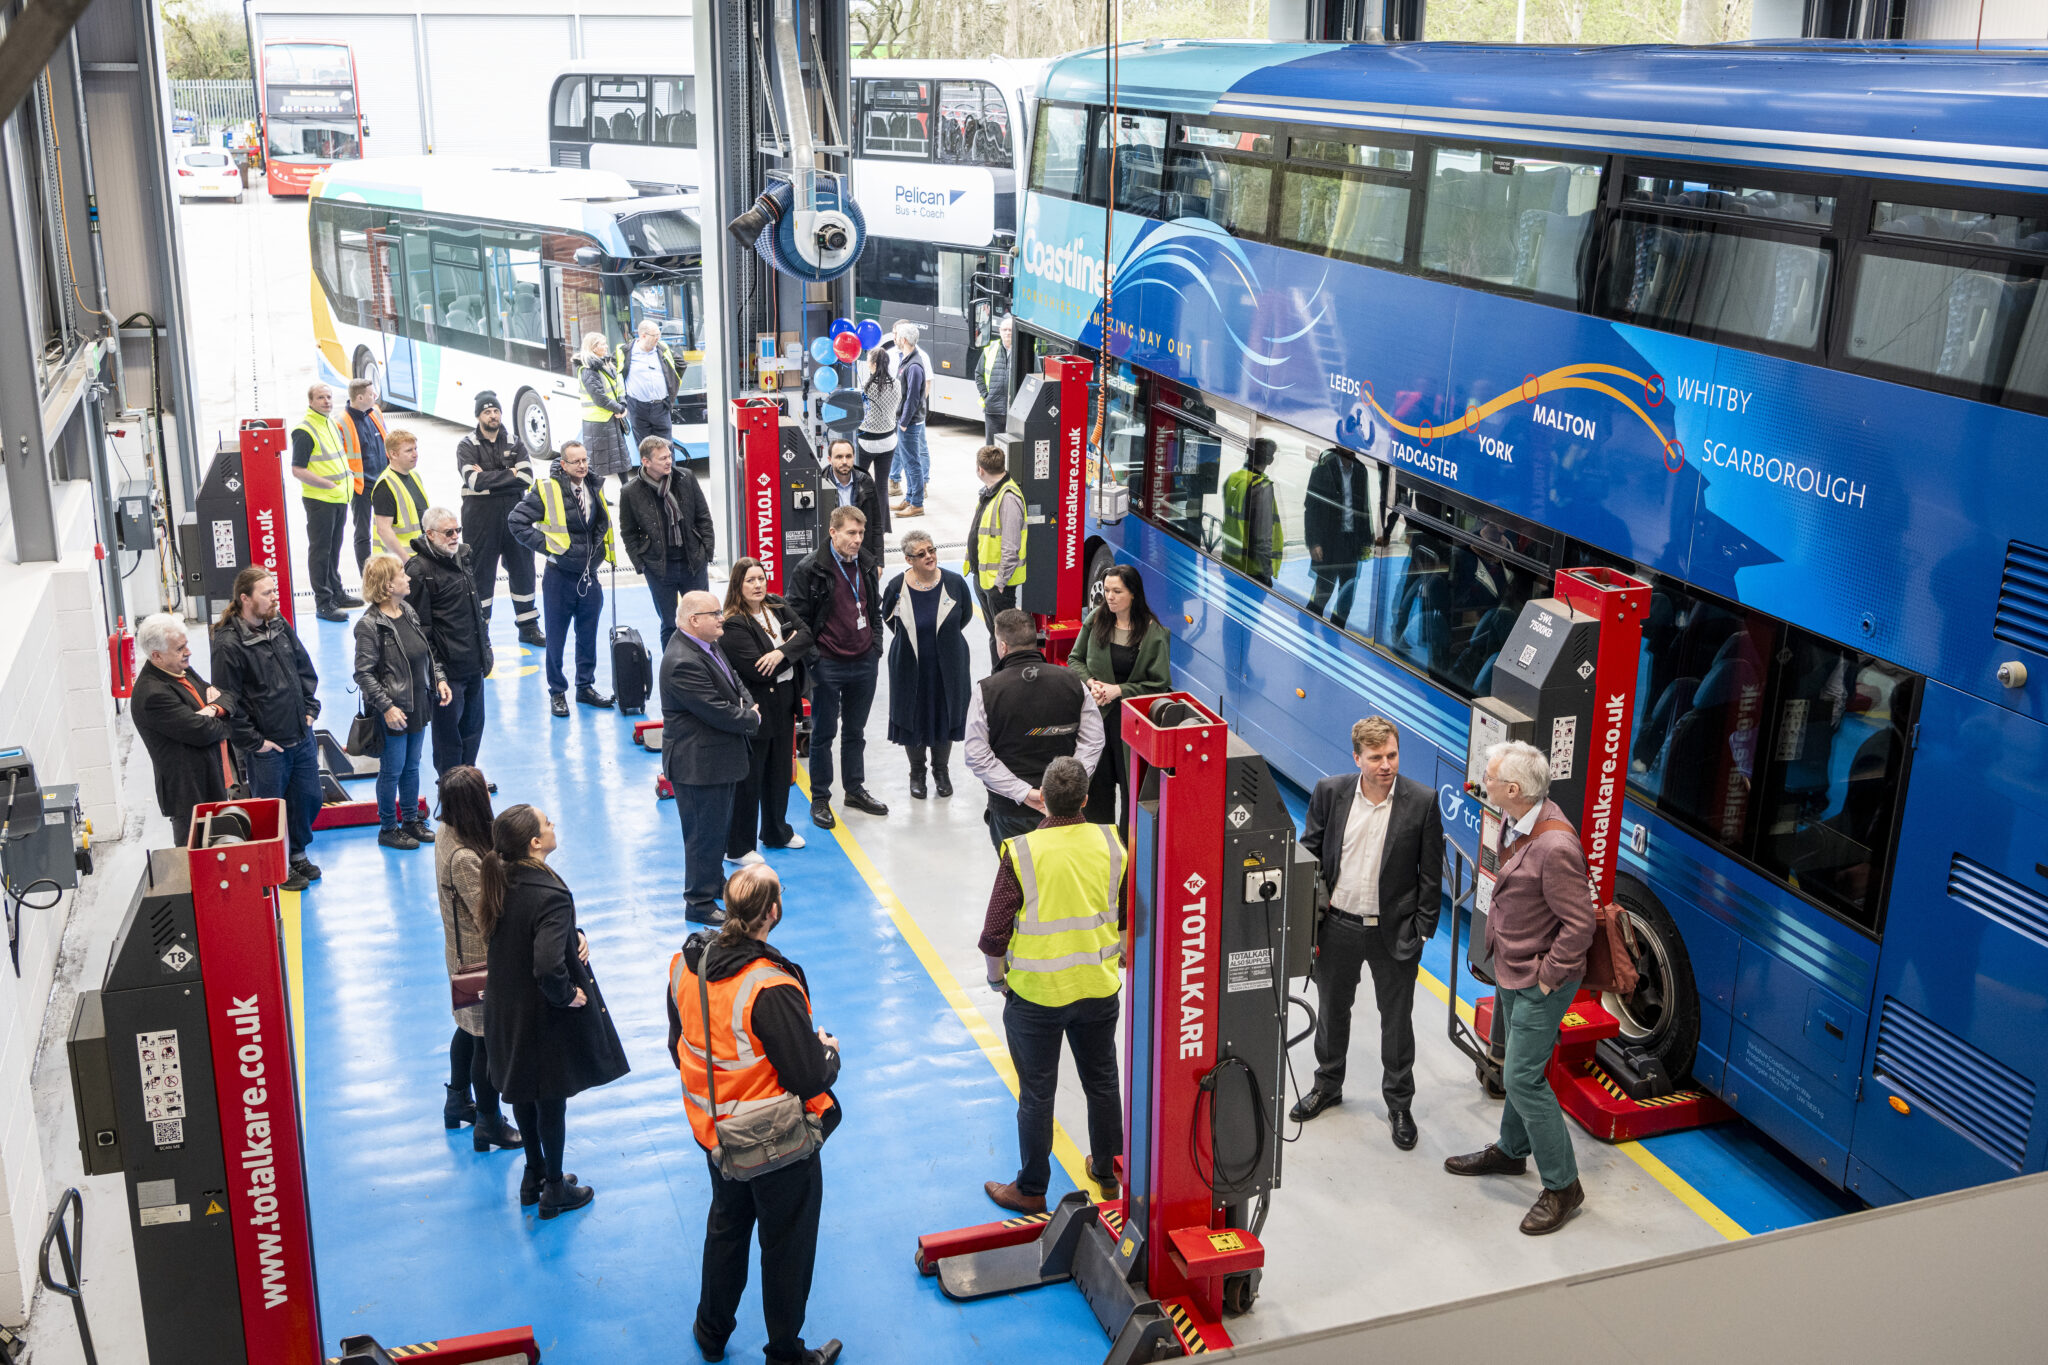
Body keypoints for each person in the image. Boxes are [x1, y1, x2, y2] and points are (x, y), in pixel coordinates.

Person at [669, 865, 843, 1365]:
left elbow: (679, 1043)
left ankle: (710, 1332)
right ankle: (785, 1354)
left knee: (727, 1227)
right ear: (773, 911)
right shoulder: (769, 986)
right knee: (786, 1246)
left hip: (716, 1132)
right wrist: (829, 1052)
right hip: (775, 1145)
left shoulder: (685, 966)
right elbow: (808, 1077)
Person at [1445, 740, 1596, 1236]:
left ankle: (1563, 1186)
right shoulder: (1518, 818)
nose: (1482, 782)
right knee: (1514, 1065)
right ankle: (1512, 1151)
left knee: (1524, 1079)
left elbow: (1580, 925)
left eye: (1489, 778)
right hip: (1511, 967)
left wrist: (1548, 978)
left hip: (1538, 979)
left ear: (1513, 789)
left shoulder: (1556, 846)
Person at [1291, 717, 1445, 1152]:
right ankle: (1327, 1085)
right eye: (1376, 757)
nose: (1386, 765)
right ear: (1357, 757)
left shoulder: (1422, 802)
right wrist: (1309, 917)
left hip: (1393, 932)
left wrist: (1423, 930)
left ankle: (1399, 1104)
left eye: (1392, 755)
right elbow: (1311, 853)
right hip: (1338, 925)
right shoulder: (1330, 792)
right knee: (1332, 1010)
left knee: (1396, 1021)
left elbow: (1431, 874)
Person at [978, 757, 1123, 1214]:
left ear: (1042, 798)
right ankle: (1108, 1170)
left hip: (1036, 997)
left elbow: (994, 934)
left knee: (1037, 1093)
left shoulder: (1023, 851)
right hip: (1097, 987)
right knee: (1103, 1082)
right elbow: (1127, 912)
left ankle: (1031, 1188)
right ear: (1085, 799)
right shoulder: (1112, 842)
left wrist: (996, 980)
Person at [478, 803, 629, 1218]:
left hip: (505, 1009)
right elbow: (546, 964)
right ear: (534, 842)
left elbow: (522, 933)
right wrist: (566, 995)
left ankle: (534, 1174)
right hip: (539, 1015)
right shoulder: (550, 893)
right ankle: (556, 1189)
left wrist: (572, 933)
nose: (553, 824)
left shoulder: (502, 878)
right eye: (547, 823)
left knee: (523, 1092)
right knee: (550, 1099)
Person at [210, 567, 323, 890]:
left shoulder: (278, 624)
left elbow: (304, 668)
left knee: (308, 798)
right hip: (267, 747)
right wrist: (256, 743)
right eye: (267, 593)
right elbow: (228, 701)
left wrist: (310, 710)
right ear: (245, 599)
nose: (275, 598)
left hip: (300, 734)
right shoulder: (229, 644)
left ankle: (297, 853)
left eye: (274, 591)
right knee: (271, 811)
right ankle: (277, 864)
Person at [661, 590, 763, 925]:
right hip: (698, 766)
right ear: (694, 620)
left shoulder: (707, 644)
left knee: (715, 831)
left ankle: (714, 882)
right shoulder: (683, 662)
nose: (722, 618)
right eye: (715, 614)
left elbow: (735, 683)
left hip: (717, 760)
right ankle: (699, 902)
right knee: (702, 837)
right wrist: (751, 717)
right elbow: (715, 710)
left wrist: (747, 705)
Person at [434, 765, 521, 1152]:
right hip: (480, 961)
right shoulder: (465, 859)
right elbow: (489, 915)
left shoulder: (447, 830)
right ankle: (488, 1122)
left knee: (467, 1030)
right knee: (485, 1041)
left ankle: (457, 1101)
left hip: (459, 956)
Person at [785, 506, 889, 830]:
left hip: (864, 661)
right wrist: (814, 657)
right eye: (851, 533)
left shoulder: (866, 564)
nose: (857, 540)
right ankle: (820, 798)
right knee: (823, 734)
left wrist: (875, 646)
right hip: (827, 664)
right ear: (833, 532)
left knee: (855, 732)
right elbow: (795, 618)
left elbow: (873, 609)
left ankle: (854, 789)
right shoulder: (810, 569)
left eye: (861, 533)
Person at [966, 609, 1101, 851]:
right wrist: (1066, 787)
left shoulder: (986, 691)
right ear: (1034, 639)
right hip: (1066, 809)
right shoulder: (1073, 682)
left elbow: (977, 756)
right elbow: (1093, 741)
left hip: (1012, 812)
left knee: (1018, 873)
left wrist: (1025, 793)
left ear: (1003, 646)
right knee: (1064, 869)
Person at [509, 440, 616, 717]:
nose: (582, 466)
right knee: (556, 639)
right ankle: (557, 691)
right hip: (559, 577)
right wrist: (549, 547)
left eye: (585, 460)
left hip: (589, 576)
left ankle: (585, 687)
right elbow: (516, 521)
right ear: (563, 465)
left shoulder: (595, 486)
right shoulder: (547, 489)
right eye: (576, 461)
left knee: (588, 636)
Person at [353, 553, 449, 850]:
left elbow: (425, 651)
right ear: (387, 585)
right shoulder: (369, 625)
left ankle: (410, 821)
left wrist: (439, 678)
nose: (408, 578)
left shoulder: (406, 610)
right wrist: (387, 707)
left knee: (412, 767)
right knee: (392, 770)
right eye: (402, 575)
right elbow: (363, 674)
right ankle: (387, 828)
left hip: (417, 703)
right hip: (393, 711)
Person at [721, 558, 812, 862]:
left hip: (785, 701)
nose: (758, 585)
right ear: (738, 585)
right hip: (757, 707)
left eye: (761, 578)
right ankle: (738, 847)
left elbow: (806, 634)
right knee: (750, 778)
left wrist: (780, 652)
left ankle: (776, 831)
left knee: (779, 772)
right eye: (750, 580)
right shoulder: (734, 623)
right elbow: (759, 670)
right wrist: (791, 650)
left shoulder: (776, 605)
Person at [1065, 565, 1170, 826]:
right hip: (1098, 719)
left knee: (1130, 789)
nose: (1109, 597)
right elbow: (1075, 659)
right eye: (1107, 590)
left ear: (1133, 593)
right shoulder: (1096, 620)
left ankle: (1126, 845)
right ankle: (1100, 842)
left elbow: (1159, 685)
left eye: (1117, 591)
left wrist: (1120, 690)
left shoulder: (1153, 634)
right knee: (1096, 789)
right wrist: (1092, 683)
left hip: (1130, 726)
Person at [880, 530, 972, 802]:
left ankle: (941, 771)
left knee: (945, 713)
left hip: (949, 663)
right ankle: (917, 773)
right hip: (909, 664)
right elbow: (890, 620)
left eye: (931, 550)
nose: (929, 556)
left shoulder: (954, 583)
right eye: (921, 554)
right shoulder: (896, 586)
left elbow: (964, 616)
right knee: (913, 714)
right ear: (909, 559)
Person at [131, 612, 235, 847]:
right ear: (156, 656)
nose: (188, 652)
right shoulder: (152, 694)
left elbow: (226, 697)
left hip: (214, 780)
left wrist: (212, 709)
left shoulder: (180, 670)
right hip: (191, 796)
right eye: (180, 648)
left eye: (186, 645)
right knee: (197, 857)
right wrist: (222, 717)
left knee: (223, 852)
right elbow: (202, 732)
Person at [406, 507, 493, 781]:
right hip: (448, 674)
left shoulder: (463, 557)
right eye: (448, 532)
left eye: (458, 530)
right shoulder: (419, 570)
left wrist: (486, 652)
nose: (455, 536)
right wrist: (438, 674)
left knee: (473, 730)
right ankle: (450, 788)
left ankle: (468, 781)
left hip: (474, 665)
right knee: (448, 739)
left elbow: (476, 611)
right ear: (430, 534)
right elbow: (420, 632)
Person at [456, 391, 544, 647]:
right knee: (481, 574)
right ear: (478, 416)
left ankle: (528, 626)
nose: (492, 415)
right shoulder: (466, 445)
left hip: (516, 518)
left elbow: (526, 477)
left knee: (523, 570)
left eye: (496, 411)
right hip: (480, 521)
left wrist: (490, 478)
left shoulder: (515, 441)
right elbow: (473, 480)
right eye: (487, 412)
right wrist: (510, 473)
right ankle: (480, 631)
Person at [617, 434, 714, 649]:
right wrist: (641, 564)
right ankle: (673, 667)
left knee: (703, 620)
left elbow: (703, 517)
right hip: (659, 569)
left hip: (693, 563)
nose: (669, 461)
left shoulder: (686, 478)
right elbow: (628, 532)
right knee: (670, 625)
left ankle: (706, 664)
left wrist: (706, 551)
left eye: (669, 456)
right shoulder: (630, 492)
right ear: (646, 461)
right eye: (662, 458)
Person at [289, 382, 358, 622]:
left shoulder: (329, 423)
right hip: (320, 500)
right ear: (311, 401)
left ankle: (336, 593)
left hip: (339, 498)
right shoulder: (304, 431)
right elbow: (297, 469)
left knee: (334, 550)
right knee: (321, 552)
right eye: (320, 397)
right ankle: (324, 603)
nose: (327, 401)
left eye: (328, 397)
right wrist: (327, 484)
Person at [965, 445, 1026, 667]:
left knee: (1005, 640)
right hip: (984, 578)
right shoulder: (990, 492)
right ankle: (998, 677)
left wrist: (1000, 583)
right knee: (995, 636)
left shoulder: (1007, 498)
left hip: (998, 585)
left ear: (980, 469)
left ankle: (1005, 678)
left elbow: (1011, 548)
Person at [1304, 441, 1373, 630]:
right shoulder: (1323, 468)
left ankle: (1337, 629)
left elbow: (1364, 507)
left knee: (1347, 593)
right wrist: (1314, 542)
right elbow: (1311, 507)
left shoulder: (1360, 470)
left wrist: (1366, 540)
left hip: (1351, 542)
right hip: (1329, 541)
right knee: (1324, 590)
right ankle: (1308, 623)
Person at [344, 376, 390, 573]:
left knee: (386, 530)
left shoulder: (375, 412)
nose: (375, 396)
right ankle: (367, 576)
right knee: (363, 534)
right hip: (361, 487)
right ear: (360, 397)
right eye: (371, 394)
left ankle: (387, 573)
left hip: (383, 483)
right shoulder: (343, 423)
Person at [1221, 437, 1282, 586]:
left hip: (1230, 561)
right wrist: (1266, 573)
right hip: (1253, 570)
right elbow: (1262, 537)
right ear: (1270, 460)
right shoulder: (1260, 487)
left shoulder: (1233, 479)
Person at [621, 317, 681, 463]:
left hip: (661, 406)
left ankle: (670, 475)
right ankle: (650, 476)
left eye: (659, 334)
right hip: (637, 407)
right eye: (655, 335)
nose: (658, 338)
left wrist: (672, 387)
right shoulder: (625, 352)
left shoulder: (662, 349)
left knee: (666, 446)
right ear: (643, 336)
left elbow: (680, 365)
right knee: (645, 448)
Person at [574, 332, 632, 483]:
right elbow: (599, 398)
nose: (606, 346)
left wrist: (622, 405)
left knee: (620, 459)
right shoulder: (588, 369)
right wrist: (620, 409)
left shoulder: (607, 364)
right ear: (593, 347)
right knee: (598, 464)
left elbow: (619, 388)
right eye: (602, 344)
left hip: (610, 419)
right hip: (598, 423)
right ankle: (597, 494)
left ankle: (626, 490)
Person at [819, 437, 884, 563]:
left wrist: (879, 562)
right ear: (829, 459)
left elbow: (876, 524)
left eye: (848, 456)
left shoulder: (866, 482)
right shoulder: (820, 483)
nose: (844, 461)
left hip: (861, 553)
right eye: (839, 457)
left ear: (854, 457)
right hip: (832, 554)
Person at [371, 428, 429, 560]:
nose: (415, 454)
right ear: (393, 454)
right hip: (396, 562)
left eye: (415, 449)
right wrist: (406, 560)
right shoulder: (385, 485)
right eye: (409, 450)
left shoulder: (414, 476)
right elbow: (383, 530)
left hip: (418, 556)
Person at [856, 346, 900, 520]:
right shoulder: (896, 384)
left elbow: (860, 411)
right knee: (882, 486)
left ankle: (861, 522)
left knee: (860, 483)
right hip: (889, 440)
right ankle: (882, 526)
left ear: (874, 364)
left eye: (868, 361)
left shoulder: (866, 386)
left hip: (866, 441)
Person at [891, 321, 929, 517]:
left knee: (912, 463)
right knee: (907, 462)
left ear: (904, 340)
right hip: (907, 421)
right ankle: (910, 498)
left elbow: (913, 398)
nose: (895, 339)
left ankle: (917, 504)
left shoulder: (914, 366)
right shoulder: (907, 360)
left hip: (910, 423)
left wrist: (904, 422)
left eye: (897, 336)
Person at [977, 314, 1013, 445]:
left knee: (1013, 449)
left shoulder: (1024, 350)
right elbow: (978, 374)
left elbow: (1035, 376)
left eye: (1010, 330)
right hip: (993, 410)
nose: (1007, 333)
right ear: (1000, 331)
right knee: (991, 449)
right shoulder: (990, 349)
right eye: (1005, 330)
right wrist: (986, 396)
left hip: (1014, 411)